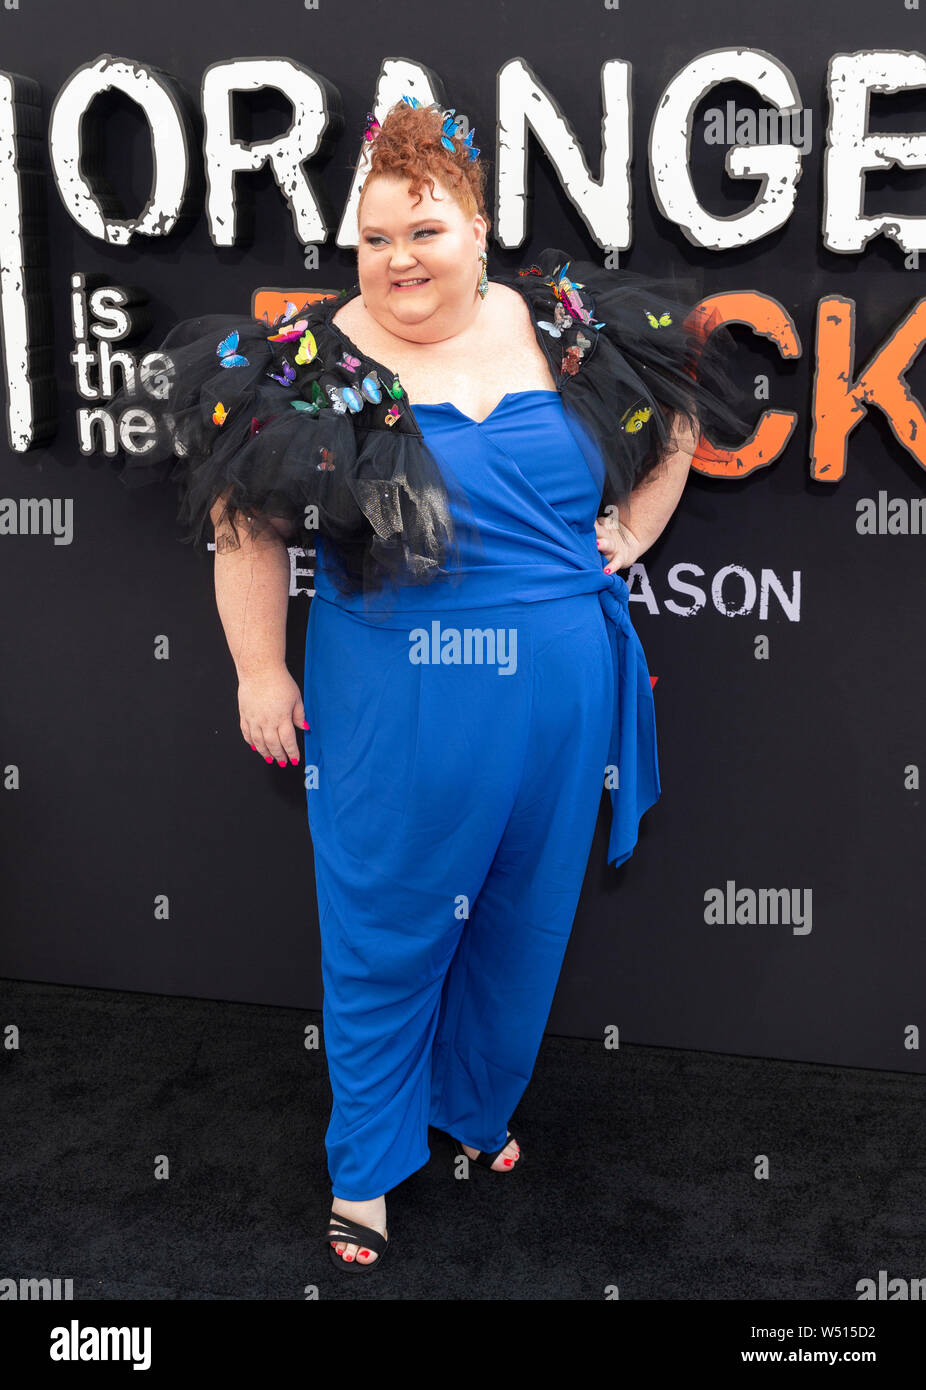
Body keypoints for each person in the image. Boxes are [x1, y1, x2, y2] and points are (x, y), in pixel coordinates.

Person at [115, 97, 749, 1275]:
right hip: (394, 692)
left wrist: (629, 534)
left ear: (478, 227)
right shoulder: (305, 360)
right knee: (387, 929)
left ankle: (472, 1109)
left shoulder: (565, 324)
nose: (398, 260)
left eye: (426, 232)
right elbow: (243, 523)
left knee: (521, 919)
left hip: (564, 686)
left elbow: (671, 426)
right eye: (374, 238)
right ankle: (366, 1165)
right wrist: (259, 667)